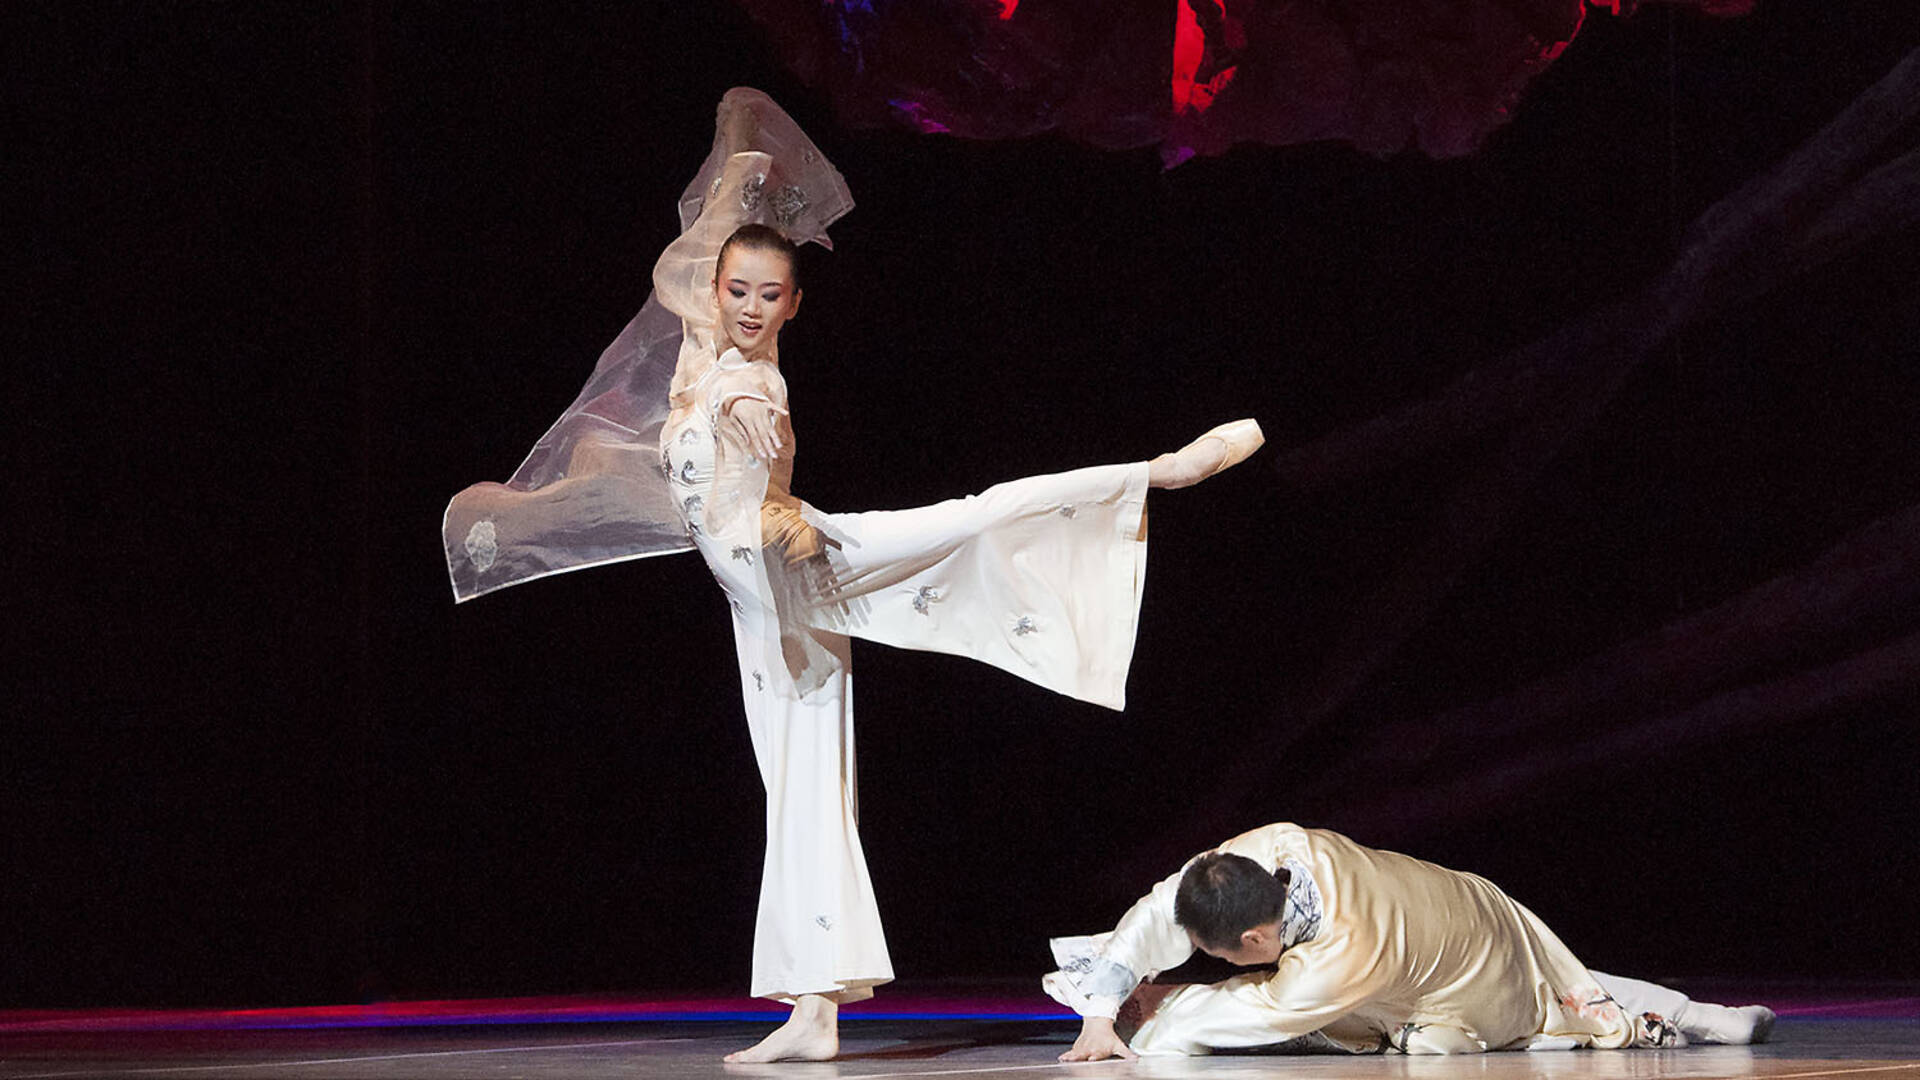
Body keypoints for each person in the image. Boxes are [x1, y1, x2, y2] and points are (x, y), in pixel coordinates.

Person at [442, 89, 1264, 1063]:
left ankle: (1154, 473)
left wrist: (782, 507)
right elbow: (681, 275)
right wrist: (740, 179)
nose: (747, 307)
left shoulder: (755, 384)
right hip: (756, 608)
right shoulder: (704, 350)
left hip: (796, 571)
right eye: (736, 290)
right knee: (798, 793)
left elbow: (763, 462)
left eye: (767, 296)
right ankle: (816, 1009)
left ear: (794, 306)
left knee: (969, 519)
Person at [1045, 822, 1776, 1060]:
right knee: (1567, 980)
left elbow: (1225, 1018)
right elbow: (1160, 910)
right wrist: (1101, 1005)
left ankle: (1667, 1023)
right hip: (1476, 901)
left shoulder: (1338, 961)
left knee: (1535, 1021)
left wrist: (1138, 1027)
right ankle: (1700, 1011)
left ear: (1258, 933)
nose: (1222, 962)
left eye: (1228, 951)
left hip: (1464, 991)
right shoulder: (1276, 846)